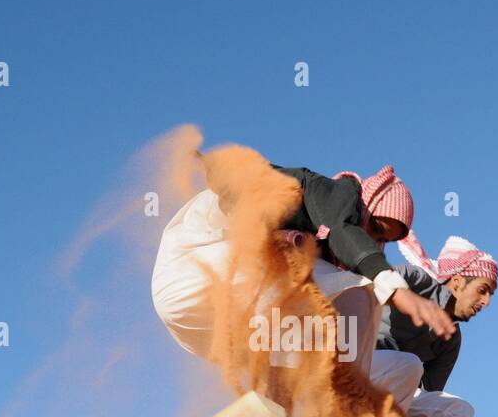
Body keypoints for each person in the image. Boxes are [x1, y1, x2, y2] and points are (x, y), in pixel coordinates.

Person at [151, 159, 446, 404]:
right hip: (197, 269)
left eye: (383, 240)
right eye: (376, 228)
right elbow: (343, 229)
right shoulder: (328, 193)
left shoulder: (323, 262)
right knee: (359, 292)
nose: (375, 242)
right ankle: (332, 408)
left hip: (208, 318)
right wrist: (393, 287)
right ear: (364, 206)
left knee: (396, 360)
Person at [376, 231, 498, 417]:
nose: (486, 302)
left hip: (395, 398)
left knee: (459, 411)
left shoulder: (451, 338)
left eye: (491, 295)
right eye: (483, 290)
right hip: (356, 368)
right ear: (458, 281)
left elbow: (428, 393)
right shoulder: (411, 279)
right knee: (409, 365)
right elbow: (358, 297)